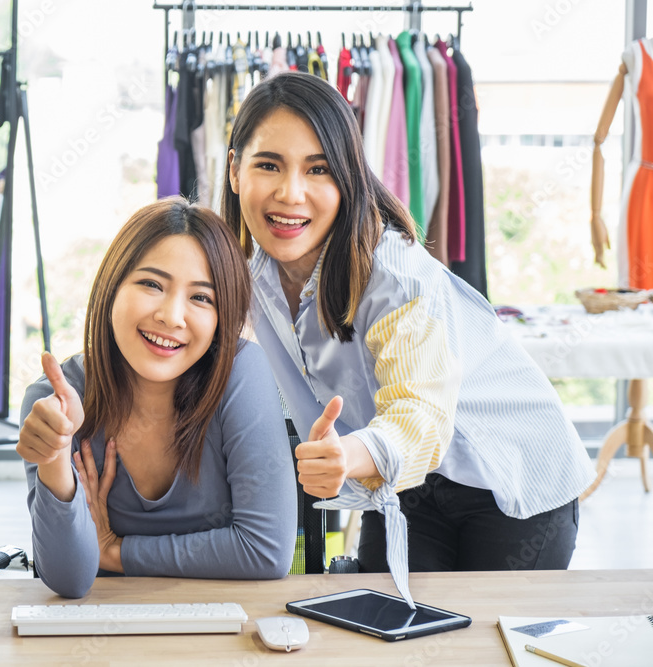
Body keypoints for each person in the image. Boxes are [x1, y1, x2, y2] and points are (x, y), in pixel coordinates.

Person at [221, 71, 595, 603]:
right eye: (268, 165)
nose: (291, 193)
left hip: (511, 474)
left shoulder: (393, 272)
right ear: (235, 170)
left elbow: (419, 414)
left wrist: (347, 456)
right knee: (388, 636)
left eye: (318, 169)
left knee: (484, 643)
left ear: (348, 178)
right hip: (408, 483)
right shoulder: (246, 274)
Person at [17, 197, 297, 598]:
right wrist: (55, 459)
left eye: (201, 297)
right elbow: (69, 580)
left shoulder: (239, 372)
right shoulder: (55, 403)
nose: (171, 316)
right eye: (151, 284)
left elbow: (265, 551)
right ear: (112, 287)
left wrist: (116, 553)